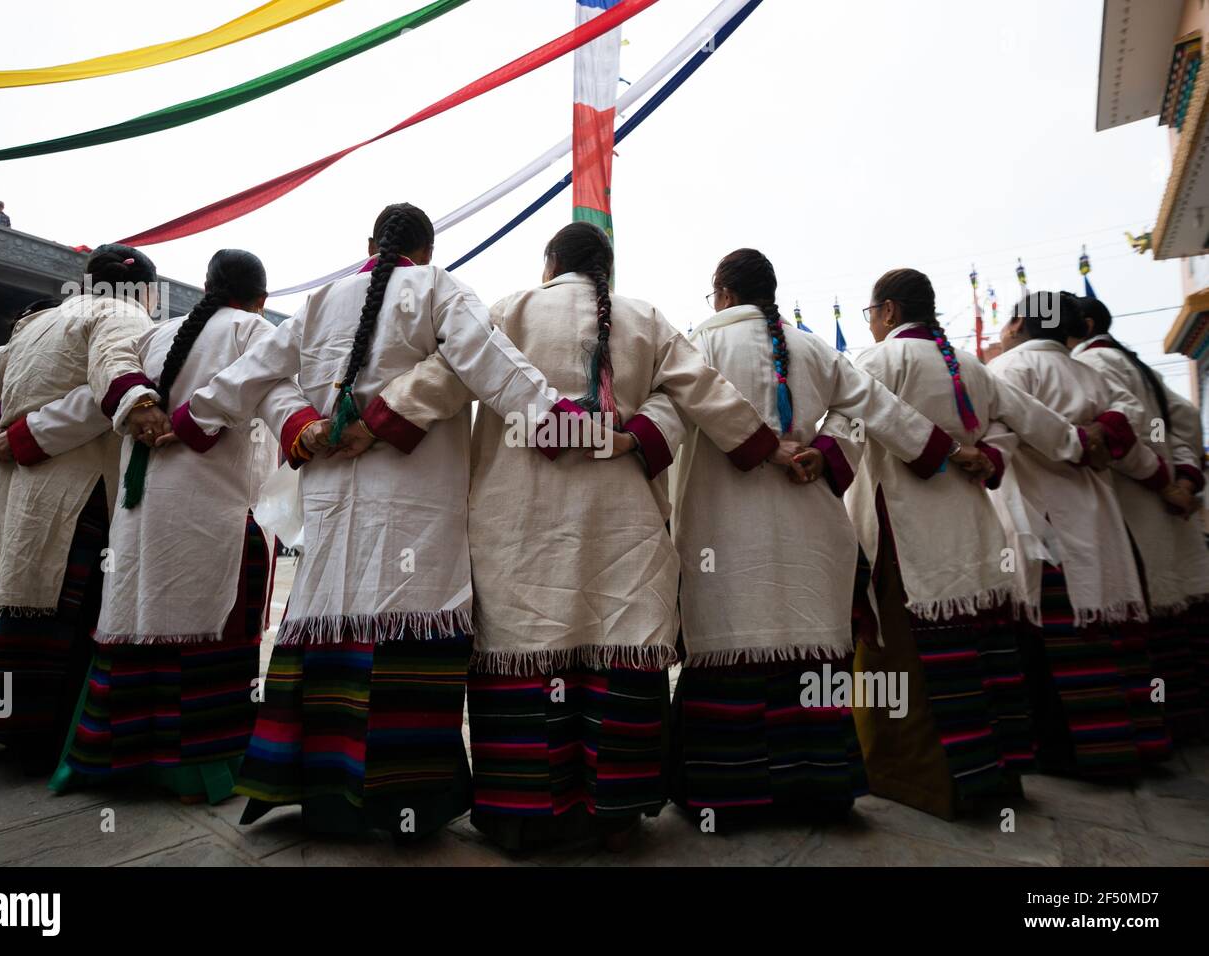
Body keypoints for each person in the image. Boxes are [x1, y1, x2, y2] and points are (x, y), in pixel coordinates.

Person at [168, 203, 590, 839]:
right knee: (407, 621)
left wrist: (293, 426)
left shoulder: (317, 303)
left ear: (370, 242)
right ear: (425, 250)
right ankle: (404, 804)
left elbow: (251, 380)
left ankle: (319, 791)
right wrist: (560, 419)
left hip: (332, 497)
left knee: (328, 617)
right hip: (414, 495)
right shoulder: (436, 287)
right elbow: (488, 359)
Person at [368, 223, 786, 850]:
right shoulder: (644, 317)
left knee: (525, 646)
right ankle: (612, 812)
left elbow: (447, 375)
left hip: (520, 522)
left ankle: (524, 816)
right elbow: (697, 392)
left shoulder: (507, 309)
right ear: (606, 272)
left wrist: (373, 420)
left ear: (551, 263)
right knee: (616, 645)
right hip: (623, 526)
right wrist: (766, 448)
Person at [669, 249, 955, 825]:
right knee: (810, 659)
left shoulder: (696, 345)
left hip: (722, 534)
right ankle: (819, 791)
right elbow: (869, 410)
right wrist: (825, 456)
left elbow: (669, 421)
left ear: (722, 294)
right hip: (811, 532)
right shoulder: (814, 347)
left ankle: (725, 800)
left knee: (728, 652)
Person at [50, 250, 294, 805]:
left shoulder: (154, 336)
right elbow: (279, 397)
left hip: (140, 514)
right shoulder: (254, 329)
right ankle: (200, 771)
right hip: (216, 511)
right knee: (210, 627)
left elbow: (95, 400)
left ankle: (118, 757)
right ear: (260, 298)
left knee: (138, 622)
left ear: (205, 286)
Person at [847, 269, 1092, 819]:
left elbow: (850, 424)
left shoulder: (879, 362)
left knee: (902, 658)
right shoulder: (973, 367)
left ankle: (916, 779)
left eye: (871, 315)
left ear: (887, 311)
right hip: (975, 529)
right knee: (977, 648)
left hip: (904, 533)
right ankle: (993, 774)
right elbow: (1025, 421)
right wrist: (1013, 451)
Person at [0, 245, 161, 771]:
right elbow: (108, 378)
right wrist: (142, 404)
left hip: (19, 483)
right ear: (147, 290)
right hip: (72, 481)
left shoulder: (40, 323)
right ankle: (42, 736)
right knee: (65, 609)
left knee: (15, 597)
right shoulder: (123, 313)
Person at [988, 291, 1185, 776]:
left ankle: (1069, 753)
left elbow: (1003, 437)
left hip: (1043, 522)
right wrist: (1165, 480)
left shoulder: (1009, 371)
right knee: (1107, 630)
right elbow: (1131, 431)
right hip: (1099, 519)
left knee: (1056, 638)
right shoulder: (1090, 374)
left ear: (1019, 325)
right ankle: (1129, 742)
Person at [1071, 294, 1209, 739]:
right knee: (1182, 617)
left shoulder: (1088, 363)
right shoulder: (1130, 361)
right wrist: (1185, 481)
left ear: (1084, 322)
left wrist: (1160, 480)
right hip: (1170, 507)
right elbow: (1185, 417)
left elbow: (1120, 434)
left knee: (1152, 626)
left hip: (1134, 504)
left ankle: (1169, 726)